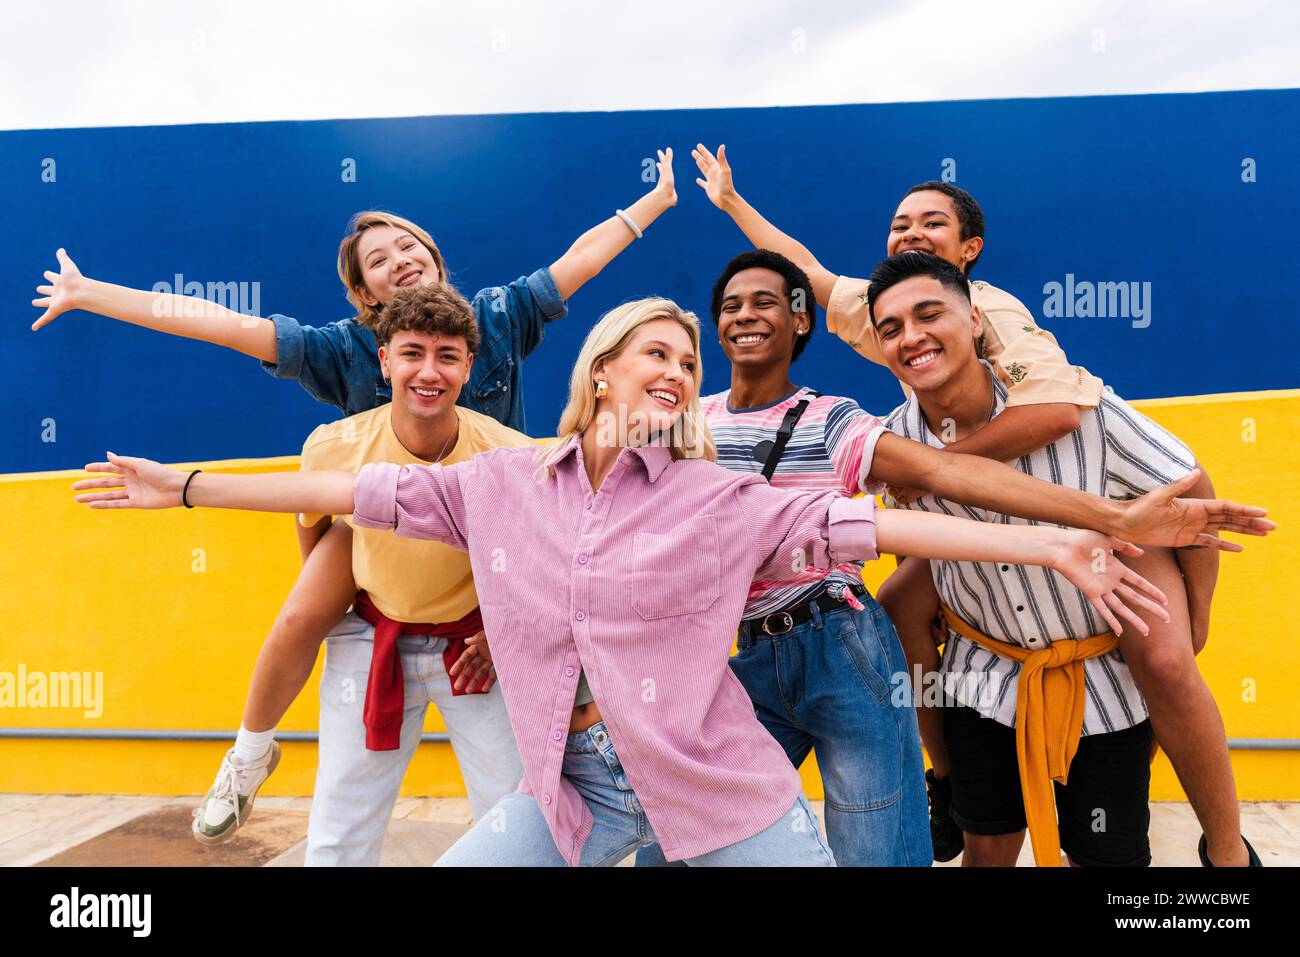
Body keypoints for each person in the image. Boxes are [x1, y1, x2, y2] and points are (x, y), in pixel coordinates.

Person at [72, 297, 1198, 866]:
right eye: (654, 351)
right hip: (579, 783)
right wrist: (184, 489)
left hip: (722, 786)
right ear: (602, 371)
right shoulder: (502, 483)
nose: (676, 367)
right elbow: (351, 499)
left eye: (688, 360)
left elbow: (865, 520)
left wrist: (1057, 544)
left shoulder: (720, 502)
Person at [36, 149, 681, 845]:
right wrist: (92, 292)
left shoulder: (494, 320)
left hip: (481, 521)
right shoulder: (341, 351)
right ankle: (249, 752)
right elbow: (218, 322)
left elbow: (582, 260)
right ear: (368, 305)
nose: (398, 258)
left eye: (408, 244)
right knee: (303, 611)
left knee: (549, 616)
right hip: (374, 508)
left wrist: (654, 201)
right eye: (378, 259)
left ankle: (614, 765)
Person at [692, 145, 1251, 867]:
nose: (911, 233)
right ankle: (947, 779)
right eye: (899, 224)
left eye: (931, 222)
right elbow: (808, 270)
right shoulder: (881, 317)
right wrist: (733, 203)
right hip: (978, 585)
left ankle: (1230, 854)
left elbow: (1054, 416)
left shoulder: (999, 313)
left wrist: (938, 471)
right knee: (898, 602)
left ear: (970, 255)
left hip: (1088, 521)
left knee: (1167, 660)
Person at [869, 251, 1268, 866]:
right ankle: (945, 783)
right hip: (982, 683)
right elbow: (905, 554)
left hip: (1103, 689)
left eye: (929, 315)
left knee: (1108, 865)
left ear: (976, 320)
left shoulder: (1084, 410)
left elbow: (1188, 491)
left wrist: (1197, 617)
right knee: (987, 855)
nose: (911, 337)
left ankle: (1228, 854)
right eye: (891, 328)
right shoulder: (892, 448)